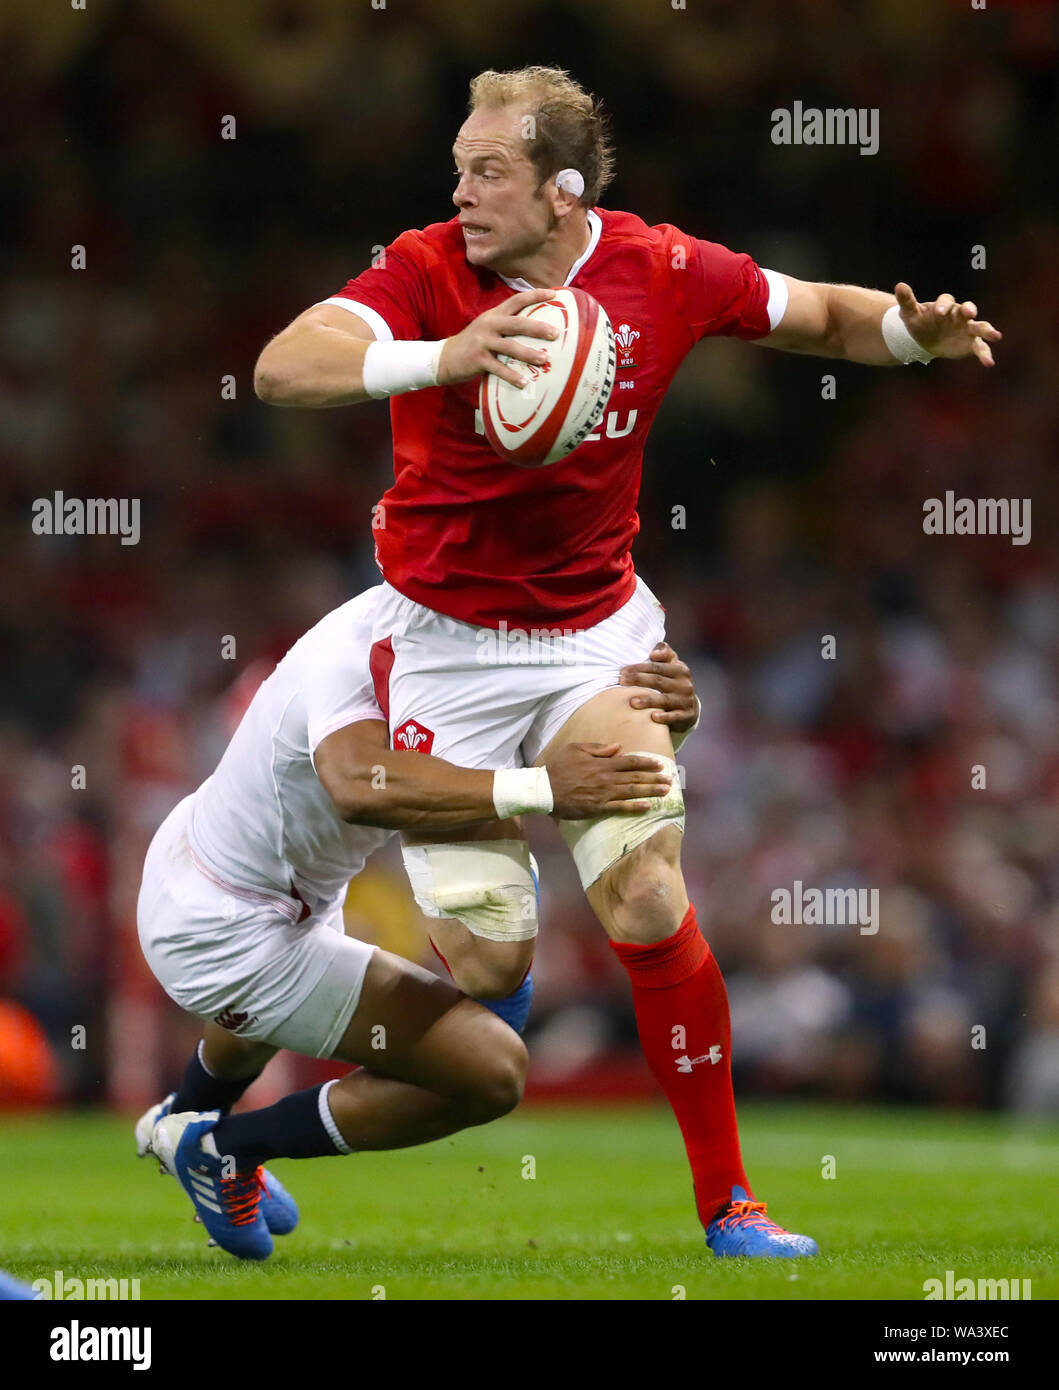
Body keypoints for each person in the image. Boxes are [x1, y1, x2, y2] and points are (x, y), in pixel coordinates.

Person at [252, 65, 1001, 1257]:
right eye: (457, 167)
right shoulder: (428, 267)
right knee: (494, 977)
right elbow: (285, 366)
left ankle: (730, 1202)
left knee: (649, 895)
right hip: (443, 649)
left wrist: (913, 332)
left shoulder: (660, 268)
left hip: (595, 636)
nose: (461, 191)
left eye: (485, 171)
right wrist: (441, 359)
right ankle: (238, 1146)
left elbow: (814, 312)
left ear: (559, 189)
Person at [137, 584, 699, 1259]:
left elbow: (556, 710)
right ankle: (226, 1151)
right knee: (493, 1069)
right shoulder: (354, 655)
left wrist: (661, 714)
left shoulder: (450, 631)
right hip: (226, 923)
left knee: (262, 1019)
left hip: (243, 874)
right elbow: (356, 784)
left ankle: (181, 1117)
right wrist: (545, 787)